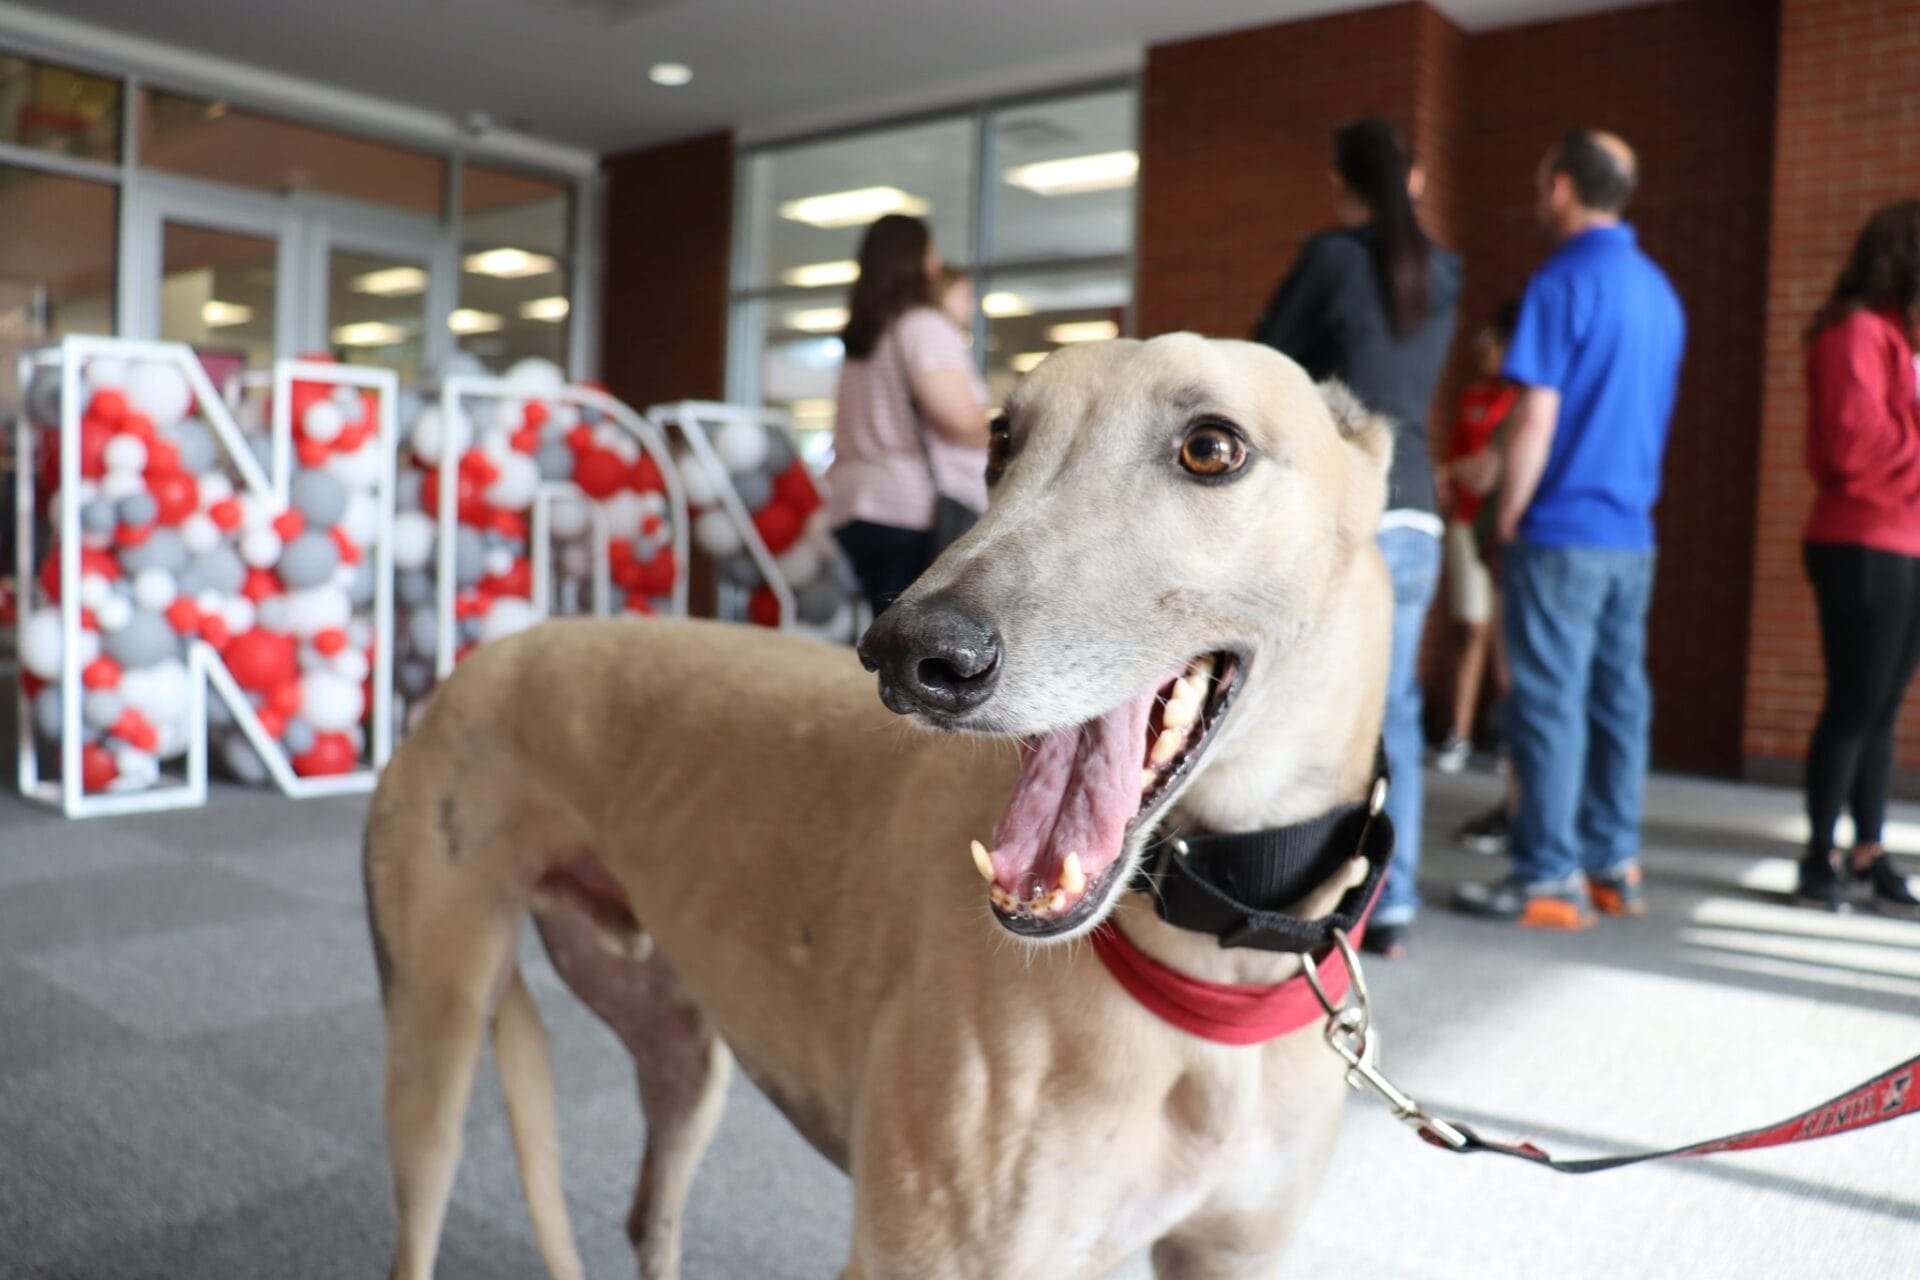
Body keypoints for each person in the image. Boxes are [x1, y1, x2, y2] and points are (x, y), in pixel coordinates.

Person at [1453, 130, 1685, 929]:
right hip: (1632, 535)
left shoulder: (1560, 281)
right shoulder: (1660, 293)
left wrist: (1508, 514)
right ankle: (1612, 864)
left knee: (1545, 703)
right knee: (1620, 697)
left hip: (1559, 528)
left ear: (1560, 188)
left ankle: (1548, 877)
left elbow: (1538, 419)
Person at [1254, 116, 1462, 959]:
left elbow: (1258, 371)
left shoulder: (1332, 260)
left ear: (1340, 181)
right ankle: (1394, 898)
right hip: (1419, 504)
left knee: (1305, 706)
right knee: (1395, 709)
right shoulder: (1443, 272)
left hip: (1347, 504)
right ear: (1411, 182)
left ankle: (1311, 892)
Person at [1794, 199, 1920, 913]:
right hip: (1859, 539)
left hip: (1906, 537)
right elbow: (1851, 450)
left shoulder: (1898, 341)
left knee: (1883, 708)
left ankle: (1868, 847)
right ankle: (1819, 856)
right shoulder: (1855, 335)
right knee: (1854, 703)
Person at [828, 215, 990, 615]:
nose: (935, 266)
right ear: (916, 260)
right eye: (931, 254)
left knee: (884, 633)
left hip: (854, 504)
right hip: (911, 509)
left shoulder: (865, 337)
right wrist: (1013, 431)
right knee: (916, 643)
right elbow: (956, 419)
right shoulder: (922, 326)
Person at [1434, 300, 1520, 774]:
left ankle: (1507, 736)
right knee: (1470, 629)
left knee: (1507, 639)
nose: (1483, 352)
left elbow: (1488, 468)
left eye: (1489, 343)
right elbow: (1454, 464)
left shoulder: (1526, 400)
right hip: (1467, 523)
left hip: (1506, 527)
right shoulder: (1473, 398)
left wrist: (1465, 470)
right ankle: (1457, 733)